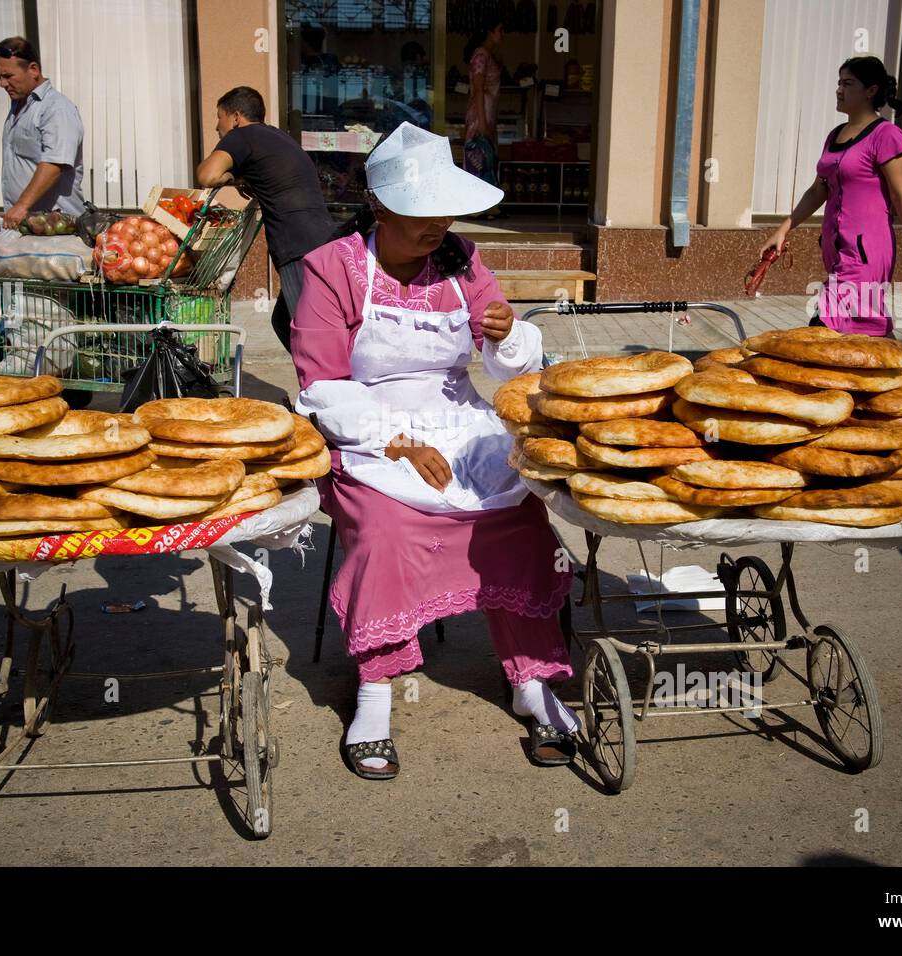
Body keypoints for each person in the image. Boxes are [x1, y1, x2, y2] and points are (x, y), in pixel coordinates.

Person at [291, 123, 578, 780]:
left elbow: (509, 370)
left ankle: (531, 681)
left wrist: (509, 336)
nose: (437, 226)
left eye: (444, 211)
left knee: (521, 519)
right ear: (380, 207)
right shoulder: (334, 269)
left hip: (456, 415)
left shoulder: (462, 260)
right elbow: (320, 382)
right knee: (390, 529)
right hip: (368, 428)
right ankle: (375, 693)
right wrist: (394, 440)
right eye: (421, 213)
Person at [760, 56, 902, 337]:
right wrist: (783, 229)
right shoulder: (835, 135)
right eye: (838, 83)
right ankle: (897, 375)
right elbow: (819, 188)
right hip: (836, 249)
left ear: (870, 91)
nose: (839, 90)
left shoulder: (887, 135)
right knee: (864, 330)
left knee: (824, 326)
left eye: (848, 83)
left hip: (867, 251)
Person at [0, 36, 86, 375]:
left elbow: (55, 163)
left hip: (53, 228)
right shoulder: (19, 108)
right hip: (23, 228)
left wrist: (22, 206)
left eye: (9, 76)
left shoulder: (57, 110)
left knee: (13, 296)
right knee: (11, 297)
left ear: (34, 69)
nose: (3, 83)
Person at [195, 87, 336, 354]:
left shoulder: (241, 136)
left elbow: (206, 176)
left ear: (236, 117)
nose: (217, 126)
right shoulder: (276, 137)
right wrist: (243, 177)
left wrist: (229, 177)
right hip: (323, 238)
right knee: (283, 321)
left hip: (298, 247)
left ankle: (322, 391)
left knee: (308, 335)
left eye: (220, 117)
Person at [462, 18, 506, 217]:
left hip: (487, 113)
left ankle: (486, 205)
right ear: (490, 32)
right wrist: (482, 121)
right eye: (500, 30)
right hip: (481, 114)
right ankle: (476, 206)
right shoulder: (480, 55)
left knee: (486, 159)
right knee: (478, 159)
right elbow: (478, 90)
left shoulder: (487, 55)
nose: (502, 35)